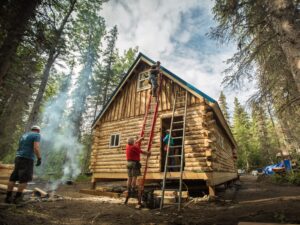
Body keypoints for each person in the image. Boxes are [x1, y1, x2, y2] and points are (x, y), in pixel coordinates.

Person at [4, 125, 42, 204]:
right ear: (38, 130)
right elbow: (36, 147)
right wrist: (39, 158)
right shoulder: (37, 135)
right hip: (27, 158)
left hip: (18, 157)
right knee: (24, 179)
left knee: (13, 177)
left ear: (32, 129)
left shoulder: (24, 135)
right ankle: (17, 198)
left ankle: (8, 197)